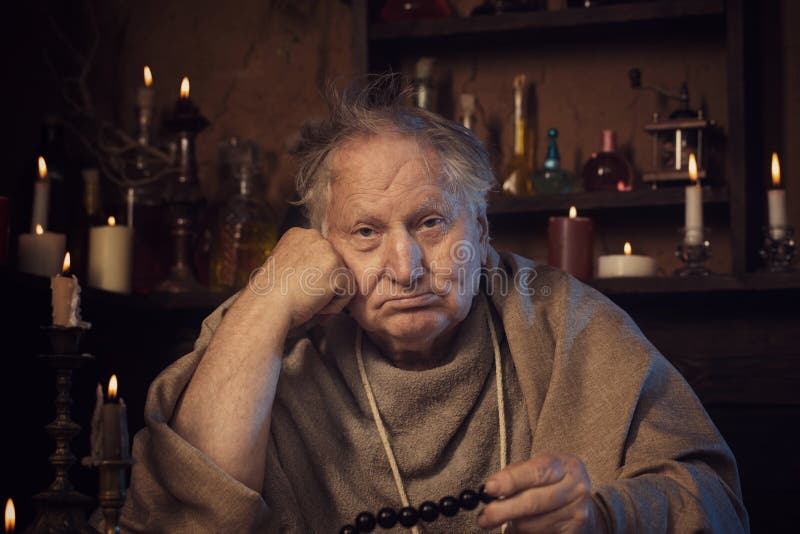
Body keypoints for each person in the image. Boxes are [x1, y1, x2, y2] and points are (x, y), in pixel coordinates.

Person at [117, 77, 748, 533]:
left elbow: (718, 502)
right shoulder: (282, 330)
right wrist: (269, 292)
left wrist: (605, 518)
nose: (406, 267)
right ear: (321, 247)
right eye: (365, 232)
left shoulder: (567, 320)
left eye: (431, 222)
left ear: (480, 227)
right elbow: (177, 517)